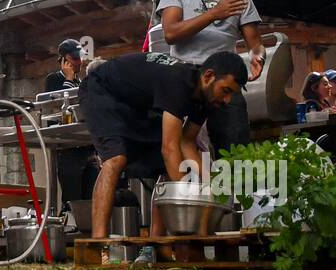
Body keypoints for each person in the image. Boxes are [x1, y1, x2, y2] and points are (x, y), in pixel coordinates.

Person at [81, 50, 248, 240]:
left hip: (135, 105)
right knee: (116, 159)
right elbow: (169, 148)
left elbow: (186, 142)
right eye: (225, 91)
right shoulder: (178, 83)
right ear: (209, 76)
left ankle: (156, 244)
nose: (227, 100)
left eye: (231, 94)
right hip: (102, 90)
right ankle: (98, 242)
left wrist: (213, 185)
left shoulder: (205, 99)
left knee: (166, 166)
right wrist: (191, 195)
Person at [156, 0, 266, 154]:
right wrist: (214, 13)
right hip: (185, 80)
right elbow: (171, 33)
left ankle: (234, 188)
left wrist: (258, 55)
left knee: (236, 149)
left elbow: (255, 43)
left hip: (224, 82)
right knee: (185, 149)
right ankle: (194, 188)